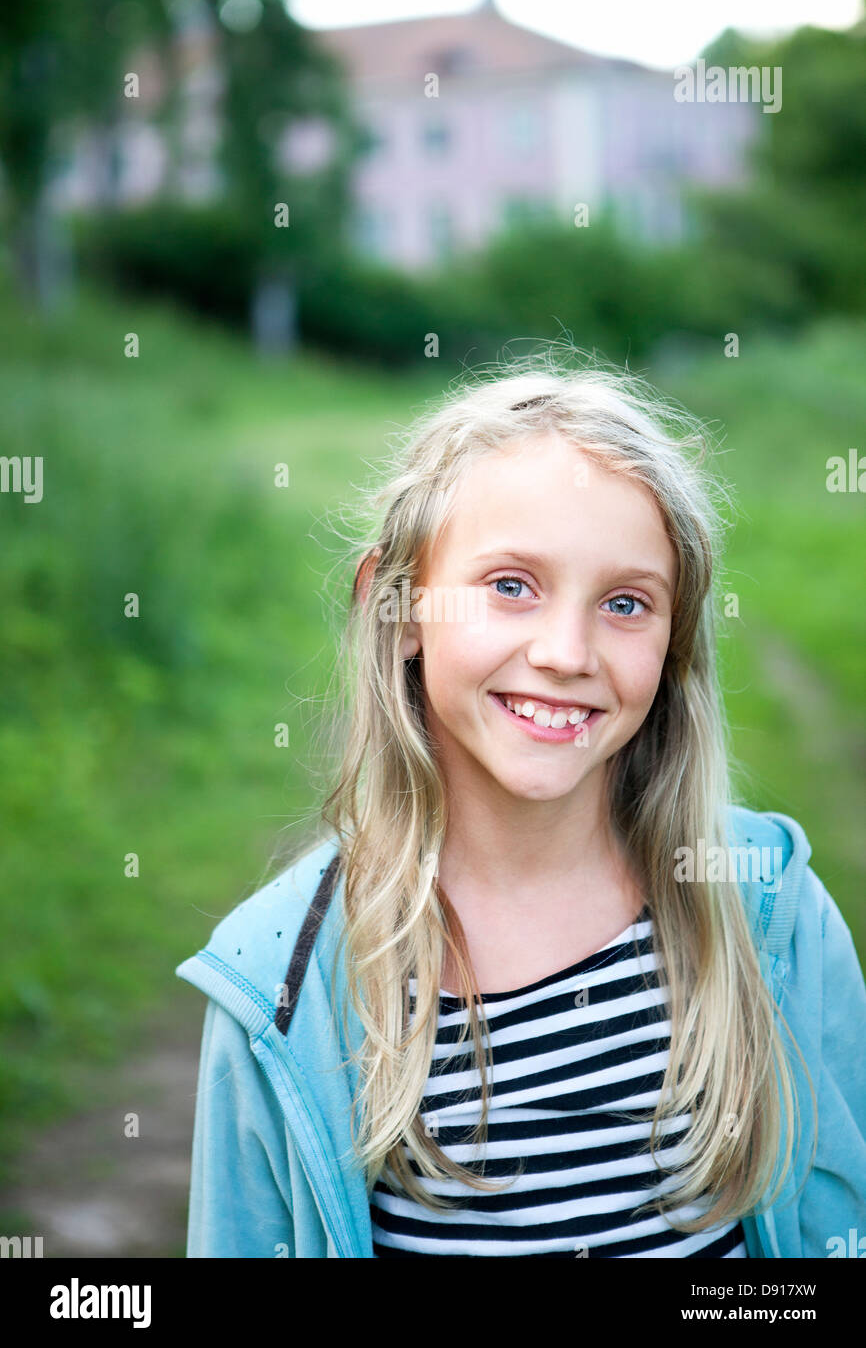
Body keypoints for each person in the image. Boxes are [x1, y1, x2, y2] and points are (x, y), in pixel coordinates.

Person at [176, 358, 866, 1258]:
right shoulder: (279, 987)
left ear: (674, 642)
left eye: (626, 603)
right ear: (400, 606)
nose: (567, 651)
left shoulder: (770, 916)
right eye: (511, 586)